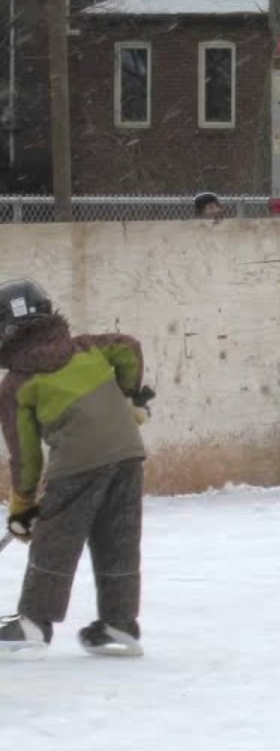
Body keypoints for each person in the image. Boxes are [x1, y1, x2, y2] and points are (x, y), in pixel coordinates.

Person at [0, 278, 153, 658]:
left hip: (76, 463)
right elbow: (128, 348)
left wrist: (23, 506)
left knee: (55, 540)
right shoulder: (87, 348)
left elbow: (26, 456)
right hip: (127, 453)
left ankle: (33, 623)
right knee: (117, 537)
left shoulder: (16, 385)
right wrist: (130, 397)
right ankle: (119, 624)